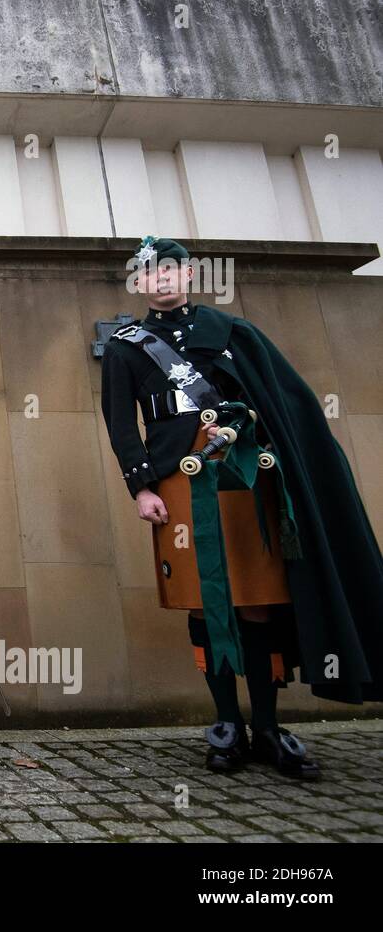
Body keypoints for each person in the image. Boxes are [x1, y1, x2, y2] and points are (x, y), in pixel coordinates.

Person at [100, 236, 383, 779]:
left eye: (169, 270)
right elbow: (121, 425)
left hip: (243, 477)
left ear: (188, 275)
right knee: (206, 601)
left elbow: (278, 405)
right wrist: (141, 488)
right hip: (177, 483)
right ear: (138, 283)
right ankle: (226, 722)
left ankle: (268, 726)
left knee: (256, 600)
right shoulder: (124, 346)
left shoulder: (232, 334)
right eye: (148, 273)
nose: (159, 279)